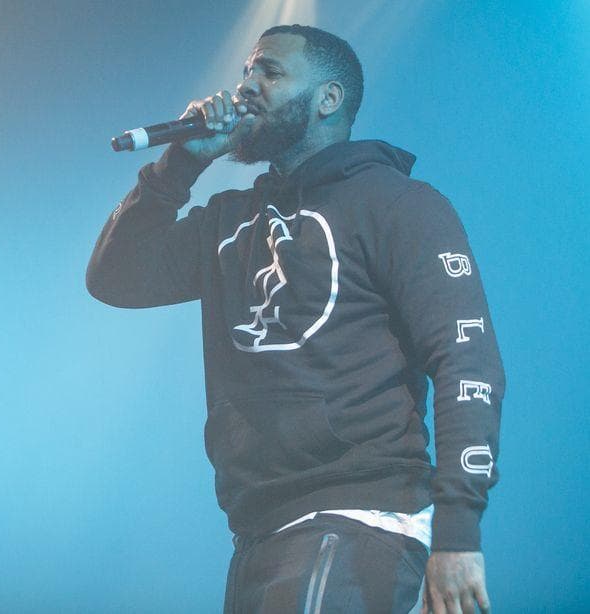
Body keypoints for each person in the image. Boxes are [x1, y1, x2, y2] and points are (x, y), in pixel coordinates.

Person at [86, 24, 505, 614]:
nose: (246, 85)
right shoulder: (229, 219)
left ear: (328, 98)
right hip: (259, 529)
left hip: (358, 514)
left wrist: (459, 532)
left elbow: (467, 361)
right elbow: (115, 277)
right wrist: (179, 165)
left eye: (271, 72)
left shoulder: (398, 204)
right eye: (246, 72)